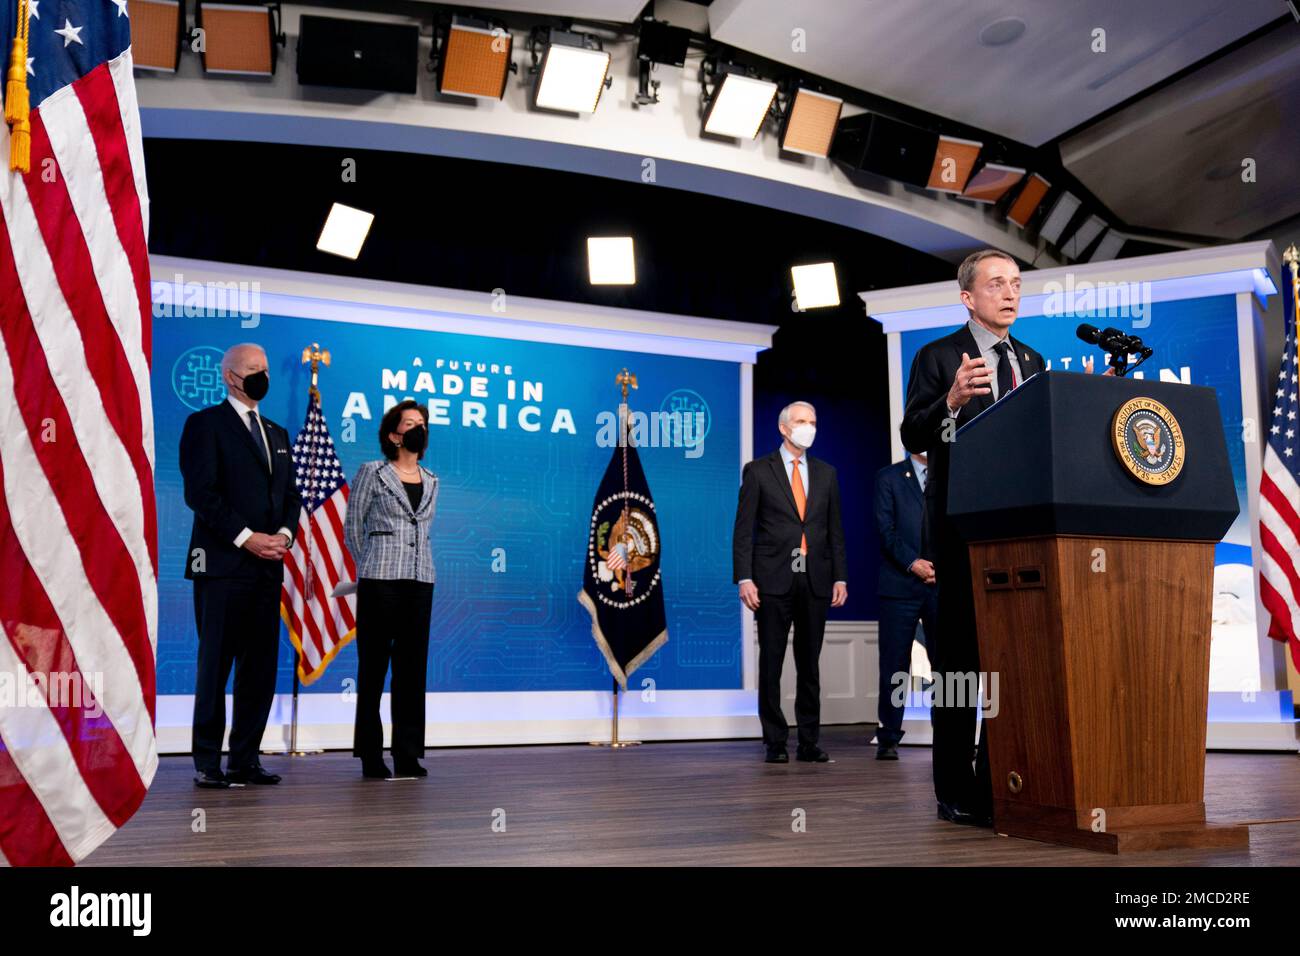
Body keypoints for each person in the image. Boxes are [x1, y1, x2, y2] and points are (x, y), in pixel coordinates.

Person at [900, 249, 1046, 826]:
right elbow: (913, 431)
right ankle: (954, 789)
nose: (1009, 293)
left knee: (1014, 660)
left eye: (1015, 283)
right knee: (961, 665)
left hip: (1022, 531)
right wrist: (952, 401)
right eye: (995, 285)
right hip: (962, 530)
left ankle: (1002, 781)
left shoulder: (1033, 360)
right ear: (967, 297)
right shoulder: (938, 357)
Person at [180, 343, 301, 789]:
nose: (262, 377)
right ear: (231, 376)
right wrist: (248, 538)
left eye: (266, 369)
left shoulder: (278, 433)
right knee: (215, 665)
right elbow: (202, 493)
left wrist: (283, 538)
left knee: (259, 667)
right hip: (223, 567)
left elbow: (291, 497)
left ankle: (245, 759)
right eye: (254, 370)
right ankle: (208, 762)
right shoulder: (205, 425)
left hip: (268, 568)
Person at [733, 401, 848, 764]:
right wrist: (744, 578)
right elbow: (743, 531)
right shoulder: (757, 471)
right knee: (772, 662)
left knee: (809, 665)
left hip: (815, 579)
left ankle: (810, 742)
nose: (808, 427)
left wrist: (840, 576)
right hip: (772, 580)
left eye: (813, 421)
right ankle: (775, 742)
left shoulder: (827, 473)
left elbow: (835, 532)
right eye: (801, 421)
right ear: (784, 428)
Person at [344, 400, 439, 780]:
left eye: (423, 424)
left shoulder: (432, 479)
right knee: (373, 669)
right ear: (393, 435)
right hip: (380, 580)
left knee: (412, 671)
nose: (418, 429)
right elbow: (353, 526)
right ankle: (370, 754)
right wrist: (370, 562)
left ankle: (408, 754)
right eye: (410, 423)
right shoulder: (373, 472)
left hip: (420, 580)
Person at [872, 445, 937, 760]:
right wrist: (913, 563)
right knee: (895, 665)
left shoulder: (951, 475)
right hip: (900, 586)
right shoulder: (889, 477)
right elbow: (886, 531)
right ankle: (888, 737)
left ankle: (949, 733)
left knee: (947, 665)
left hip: (942, 585)